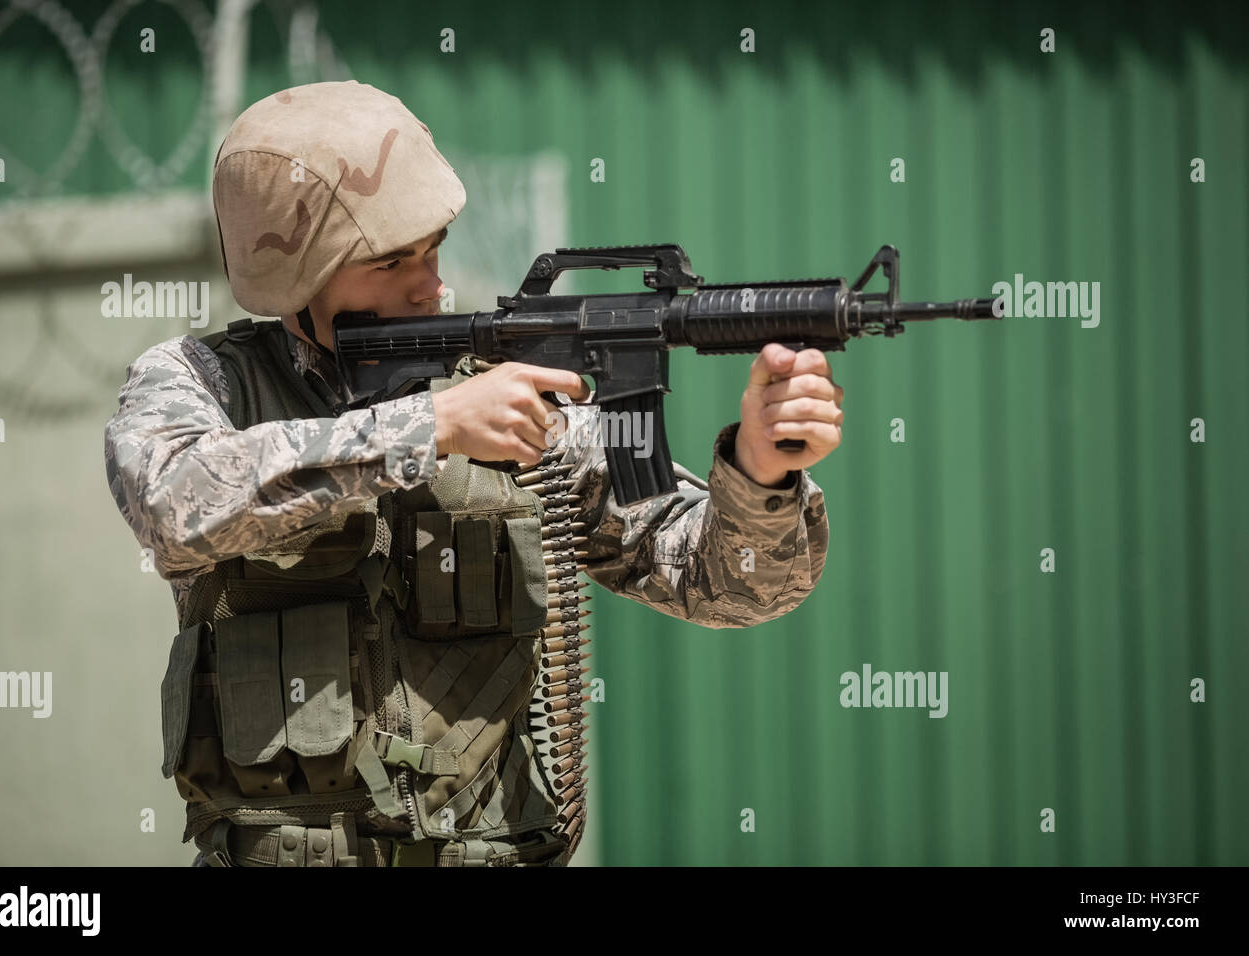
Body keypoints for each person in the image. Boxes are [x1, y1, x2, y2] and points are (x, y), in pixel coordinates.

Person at [104, 80, 839, 867]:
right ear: (298, 278)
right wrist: (431, 428)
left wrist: (760, 478)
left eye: (432, 250)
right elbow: (170, 506)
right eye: (389, 263)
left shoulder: (503, 396)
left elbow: (728, 584)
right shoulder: (205, 383)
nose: (430, 284)